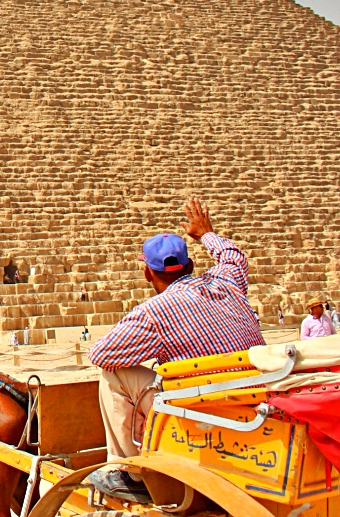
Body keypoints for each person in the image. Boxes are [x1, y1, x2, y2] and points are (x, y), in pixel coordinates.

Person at [85, 197, 265, 504]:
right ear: (192, 266)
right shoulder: (228, 282)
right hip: (258, 406)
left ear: (147, 274)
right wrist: (206, 233)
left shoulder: (154, 314)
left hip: (202, 414)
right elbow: (234, 257)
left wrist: (152, 346)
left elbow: (101, 354)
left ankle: (132, 473)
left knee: (113, 373)